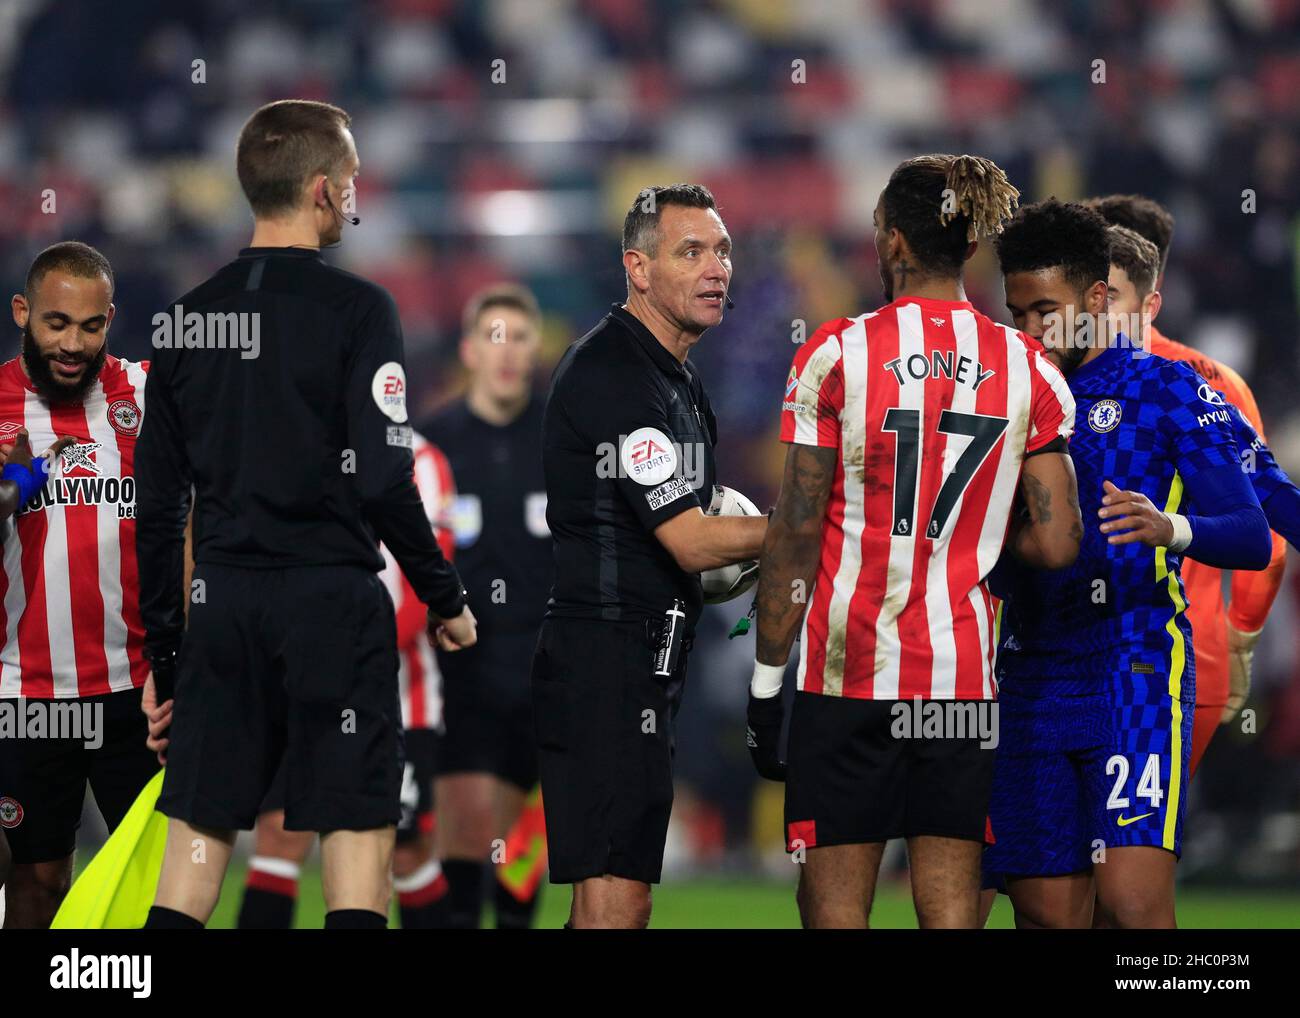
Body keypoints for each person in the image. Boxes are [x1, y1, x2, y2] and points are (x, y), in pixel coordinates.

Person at [135, 99, 475, 931]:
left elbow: (156, 509)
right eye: (353, 179)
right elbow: (385, 481)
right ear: (322, 190)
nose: (357, 195)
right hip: (331, 607)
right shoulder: (360, 312)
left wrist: (168, 656)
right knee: (357, 852)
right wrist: (445, 596)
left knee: (191, 866)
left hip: (222, 608)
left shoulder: (184, 322)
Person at [749, 154, 1081, 930]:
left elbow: (795, 532)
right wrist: (976, 538)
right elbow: (1062, 541)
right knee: (951, 912)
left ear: (892, 242)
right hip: (960, 682)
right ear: (971, 248)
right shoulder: (1027, 366)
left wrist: (768, 685)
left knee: (835, 912)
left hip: (848, 676)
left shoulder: (836, 354)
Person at [986, 199, 1271, 929]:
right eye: (1018, 314)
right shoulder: (1006, 395)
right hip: (1030, 673)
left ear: (1097, 298)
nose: (1030, 332)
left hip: (1134, 665)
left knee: (1133, 905)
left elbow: (1249, 534)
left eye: (1045, 311)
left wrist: (1169, 528)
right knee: (1048, 914)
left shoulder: (1168, 388)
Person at [533, 183, 765, 928]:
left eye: (722, 251)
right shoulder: (614, 374)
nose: (716, 269)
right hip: (604, 660)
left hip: (648, 662)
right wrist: (810, 521)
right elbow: (692, 538)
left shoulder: (681, 381)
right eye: (691, 252)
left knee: (608, 902)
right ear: (638, 268)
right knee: (616, 903)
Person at [1087, 194, 1286, 759]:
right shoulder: (1220, 384)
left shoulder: (1048, 374)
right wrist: (1239, 645)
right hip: (1192, 658)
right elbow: (1268, 541)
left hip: (1064, 657)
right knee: (1152, 833)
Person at [234, 429, 458, 930]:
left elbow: (428, 584)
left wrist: (337, 654)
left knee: (403, 850)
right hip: (293, 688)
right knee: (277, 836)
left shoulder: (424, 461)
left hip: (395, 694)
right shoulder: (293, 444)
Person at [0, 241, 153, 929]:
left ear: (110, 320)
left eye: (91, 327)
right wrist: (13, 489)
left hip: (137, 690)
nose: (73, 344)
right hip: (26, 693)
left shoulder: (147, 395)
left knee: (157, 884)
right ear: (22, 313)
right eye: (56, 323)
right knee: (35, 882)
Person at [421, 283, 551, 929]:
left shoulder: (567, 444)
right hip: (462, 676)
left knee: (520, 865)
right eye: (494, 337)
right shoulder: (431, 445)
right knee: (467, 836)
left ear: (536, 348)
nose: (507, 351)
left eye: (520, 337)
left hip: (545, 680)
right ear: (470, 351)